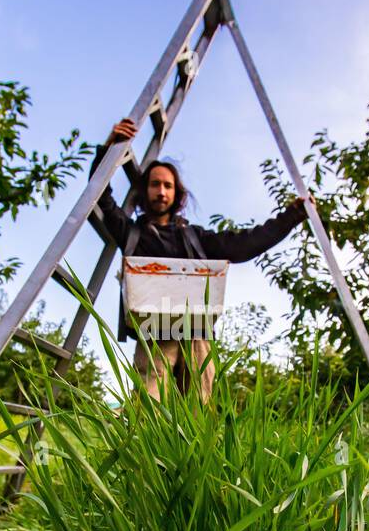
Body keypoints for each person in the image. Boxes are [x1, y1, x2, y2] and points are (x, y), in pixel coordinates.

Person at [89, 117, 311, 403]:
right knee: (149, 405)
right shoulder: (131, 233)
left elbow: (244, 244)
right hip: (154, 333)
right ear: (145, 191)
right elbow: (100, 197)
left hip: (196, 333)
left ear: (176, 193)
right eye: (155, 185)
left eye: (168, 185)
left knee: (199, 407)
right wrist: (108, 150)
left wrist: (291, 217)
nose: (161, 191)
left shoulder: (193, 238)